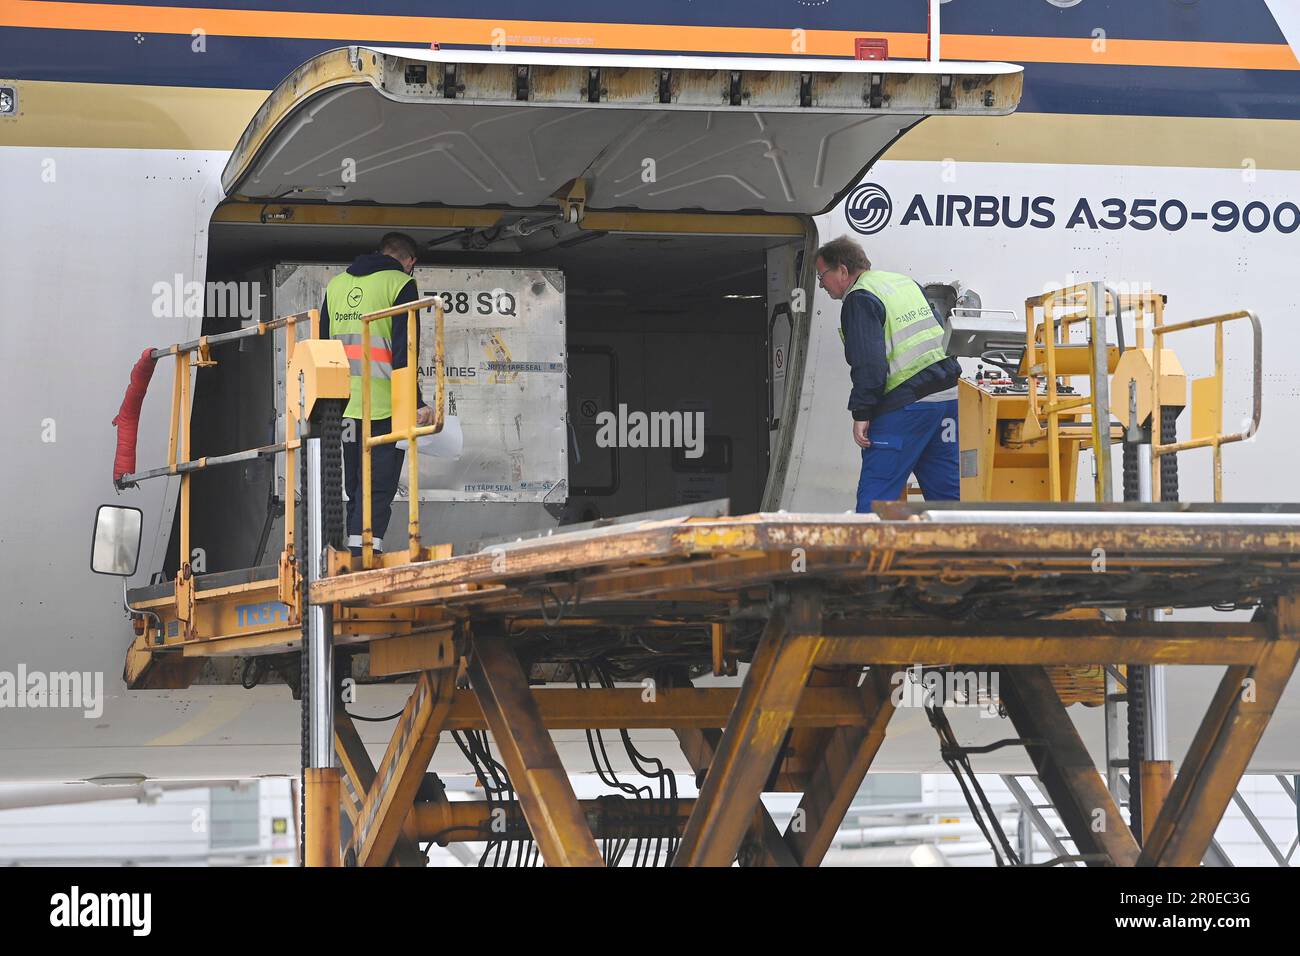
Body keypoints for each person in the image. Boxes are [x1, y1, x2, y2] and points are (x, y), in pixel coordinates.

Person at [814, 236, 961, 511]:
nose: (821, 284)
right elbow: (939, 330)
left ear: (843, 271)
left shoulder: (859, 299)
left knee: (877, 496)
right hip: (947, 400)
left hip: (906, 407)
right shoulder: (904, 283)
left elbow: (870, 365)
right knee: (948, 496)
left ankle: (867, 553)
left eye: (822, 275)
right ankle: (958, 552)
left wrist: (862, 413)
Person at [319, 232, 435, 554]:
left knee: (354, 485)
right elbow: (404, 350)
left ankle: (350, 552)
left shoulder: (336, 285)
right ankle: (364, 555)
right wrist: (416, 402)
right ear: (410, 261)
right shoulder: (400, 284)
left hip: (343, 405)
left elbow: (324, 347)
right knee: (379, 485)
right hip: (385, 405)